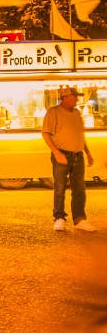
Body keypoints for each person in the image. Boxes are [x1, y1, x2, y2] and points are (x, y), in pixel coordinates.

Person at [42, 87, 96, 232]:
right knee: (60, 188)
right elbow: (46, 134)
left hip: (78, 155)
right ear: (64, 98)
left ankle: (79, 219)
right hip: (61, 154)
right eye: (73, 97)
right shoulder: (53, 112)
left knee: (79, 189)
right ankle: (59, 218)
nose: (76, 100)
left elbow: (79, 135)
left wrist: (87, 152)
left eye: (76, 97)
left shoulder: (77, 113)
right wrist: (56, 153)